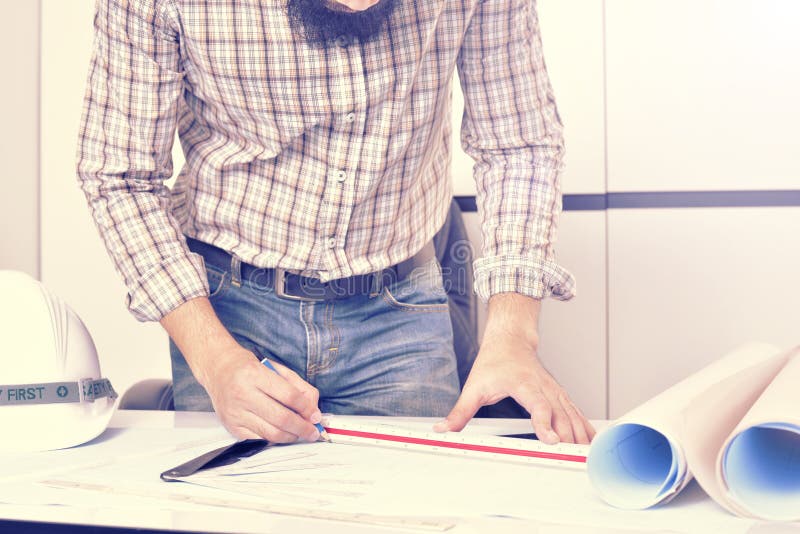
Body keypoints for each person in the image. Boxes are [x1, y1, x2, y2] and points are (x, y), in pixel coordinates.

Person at [77, 0, 595, 446]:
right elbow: (119, 176)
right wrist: (214, 361)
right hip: (228, 306)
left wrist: (512, 336)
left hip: (401, 304)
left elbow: (518, 145)